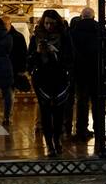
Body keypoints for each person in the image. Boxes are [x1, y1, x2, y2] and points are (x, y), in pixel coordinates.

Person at [27, 9, 74, 156]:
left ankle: (57, 139)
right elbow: (29, 58)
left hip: (59, 76)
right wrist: (38, 53)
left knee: (59, 112)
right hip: (42, 78)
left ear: (57, 23)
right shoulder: (36, 37)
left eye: (52, 24)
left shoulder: (64, 37)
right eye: (46, 23)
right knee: (45, 111)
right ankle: (49, 144)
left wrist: (56, 52)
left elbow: (71, 57)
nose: (48, 26)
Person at [69, 6, 106, 148]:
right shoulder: (100, 29)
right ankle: (99, 130)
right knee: (97, 101)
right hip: (96, 71)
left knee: (82, 102)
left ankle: (81, 131)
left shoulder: (74, 31)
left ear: (81, 16)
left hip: (80, 72)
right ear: (94, 16)